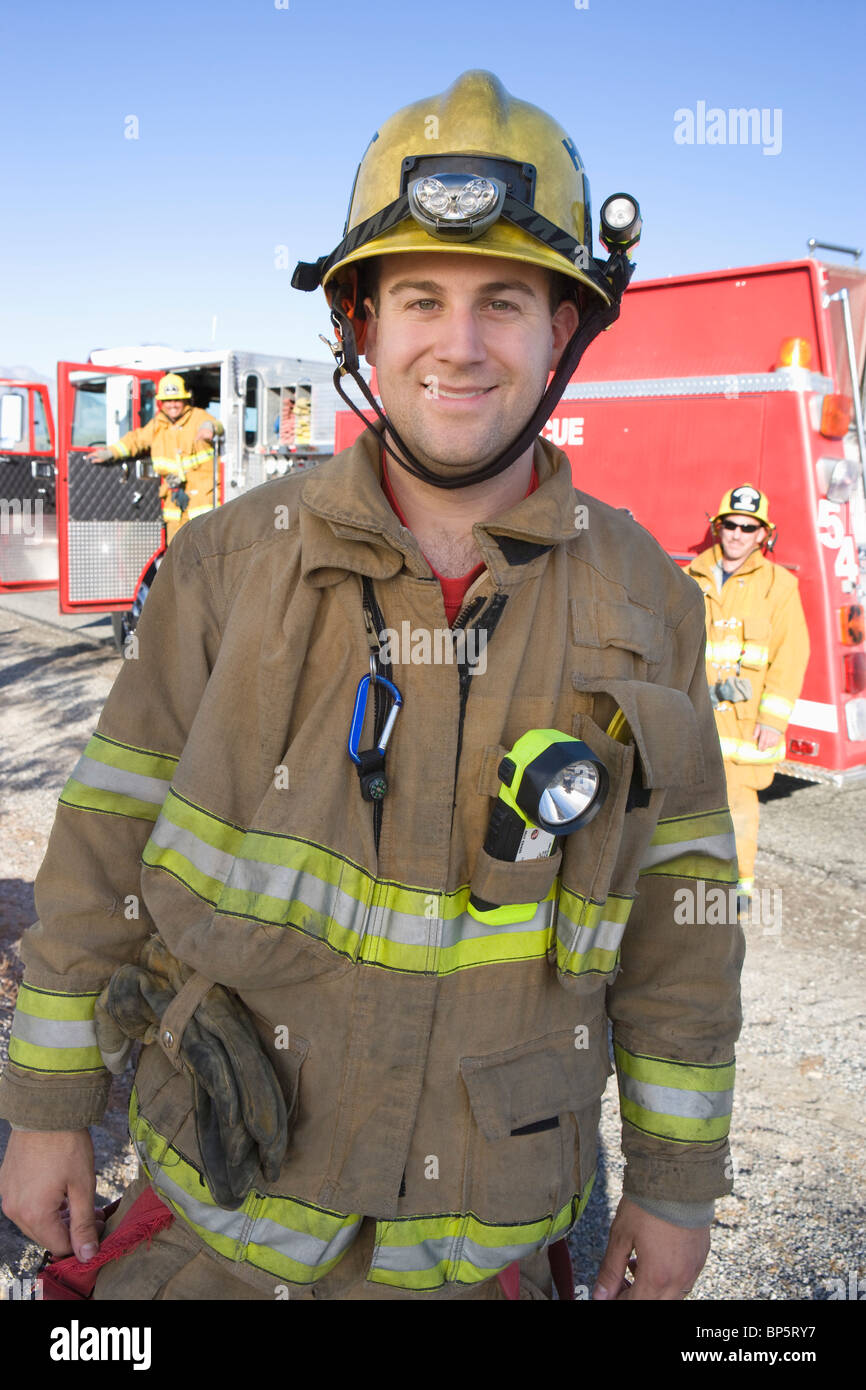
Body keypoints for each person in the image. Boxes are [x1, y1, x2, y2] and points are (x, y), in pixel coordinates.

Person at [0, 71, 743, 1302]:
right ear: (358, 326)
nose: (458, 344)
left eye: (504, 300)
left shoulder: (646, 603)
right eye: (419, 299)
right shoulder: (228, 565)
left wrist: (671, 1184)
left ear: (565, 328)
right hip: (214, 1231)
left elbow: (681, 922)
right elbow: (100, 850)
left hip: (478, 1248)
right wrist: (47, 1109)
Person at [688, 486, 809, 911]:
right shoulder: (691, 579)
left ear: (763, 535)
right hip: (698, 717)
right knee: (689, 802)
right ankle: (690, 879)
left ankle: (737, 888)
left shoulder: (779, 586)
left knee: (738, 806)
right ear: (718, 527)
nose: (737, 533)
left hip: (743, 724)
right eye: (730, 524)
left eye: (748, 527)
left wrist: (772, 721)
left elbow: (791, 656)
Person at [92, 372, 224, 541]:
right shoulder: (157, 424)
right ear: (161, 402)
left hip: (202, 497)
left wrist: (208, 428)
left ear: (185, 400)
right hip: (174, 496)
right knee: (176, 548)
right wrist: (110, 452)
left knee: (204, 546)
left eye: (177, 400)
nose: (173, 405)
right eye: (168, 401)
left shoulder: (198, 417)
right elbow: (136, 440)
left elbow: (216, 425)